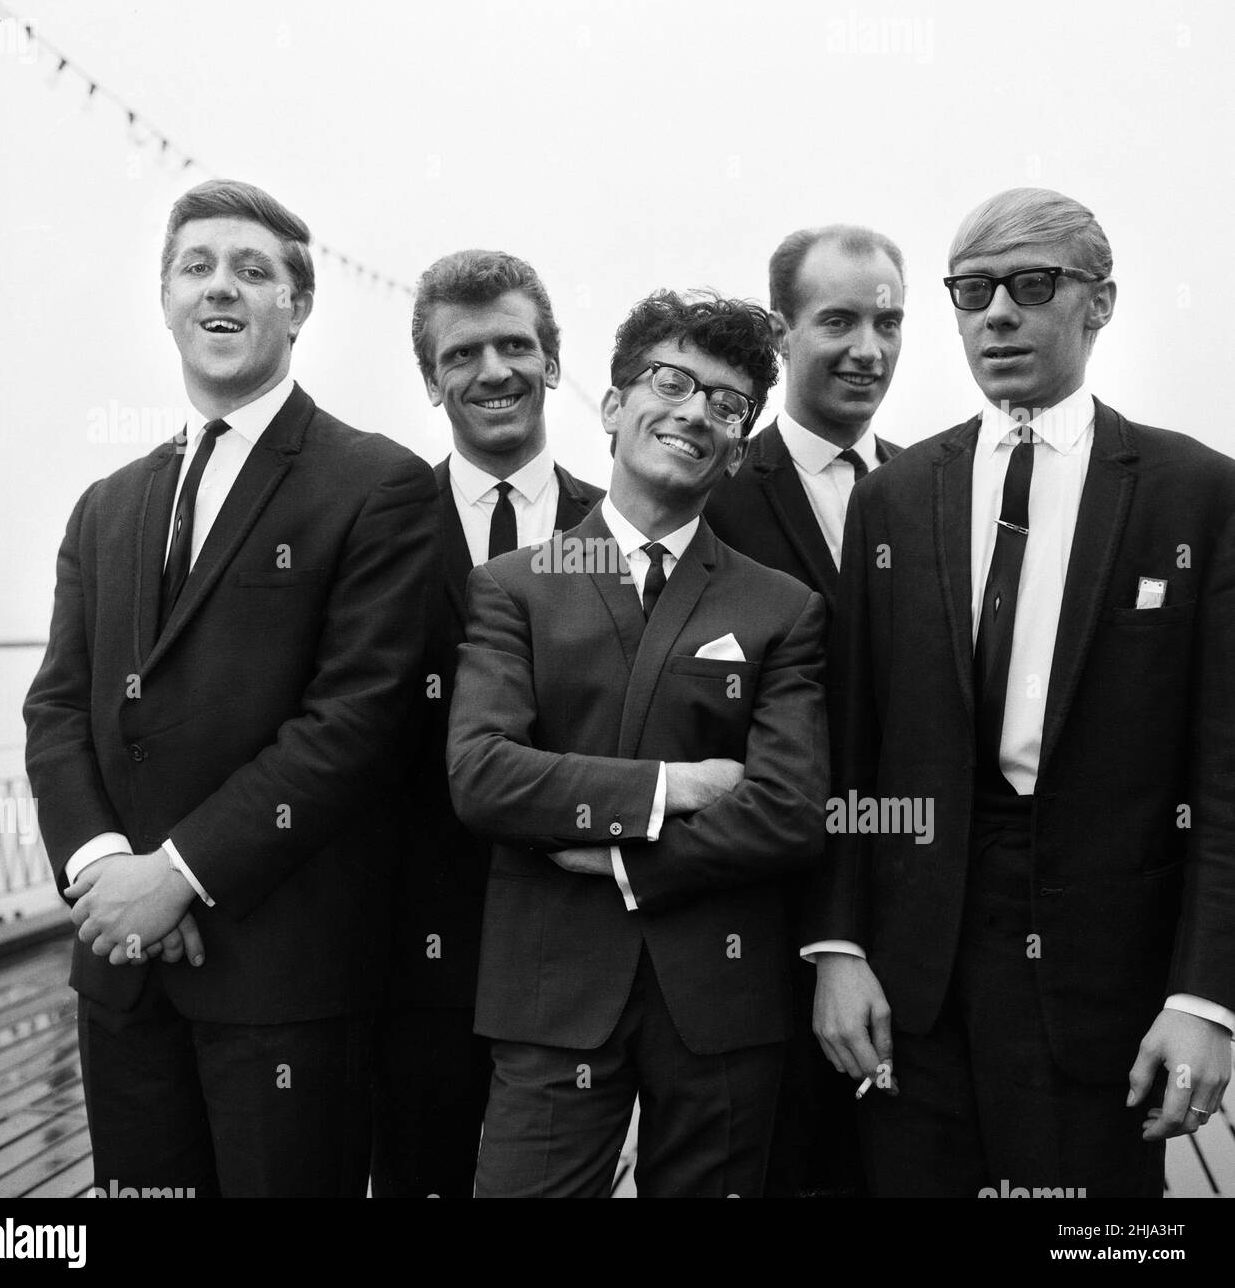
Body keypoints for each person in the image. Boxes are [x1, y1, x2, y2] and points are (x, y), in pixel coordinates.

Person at [809, 187, 1235, 1197]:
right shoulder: (894, 497)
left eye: (1029, 284)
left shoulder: (1194, 494)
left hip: (1104, 991)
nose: (995, 312)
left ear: (1100, 302)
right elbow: (851, 745)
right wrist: (837, 943)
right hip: (911, 985)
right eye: (970, 290)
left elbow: (1223, 771)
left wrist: (1206, 994)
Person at [23, 179, 437, 1197]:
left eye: (255, 270)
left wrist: (180, 873)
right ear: (164, 297)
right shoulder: (104, 506)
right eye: (198, 266)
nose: (224, 287)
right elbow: (58, 708)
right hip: (123, 969)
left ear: (298, 306)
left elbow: (354, 722)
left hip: (282, 980)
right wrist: (107, 870)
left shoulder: (377, 484)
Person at [448, 290, 830, 1197]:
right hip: (551, 994)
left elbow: (788, 810)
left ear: (738, 445)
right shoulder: (515, 587)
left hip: (723, 999)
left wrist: (624, 864)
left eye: (728, 403)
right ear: (615, 406)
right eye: (672, 381)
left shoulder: (781, 607)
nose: (697, 410)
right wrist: (678, 785)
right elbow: (483, 774)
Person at [371, 249, 602, 1198]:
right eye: (463, 354)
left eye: (516, 344)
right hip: (413, 953)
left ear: (553, 360)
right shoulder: (373, 526)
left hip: (580, 946)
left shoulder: (622, 527)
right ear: (432, 380)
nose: (494, 370)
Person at [705, 224, 905, 1196]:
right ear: (782, 335)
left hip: (914, 938)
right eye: (839, 320)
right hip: (755, 946)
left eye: (887, 320)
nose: (868, 347)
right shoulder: (713, 494)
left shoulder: (929, 491)